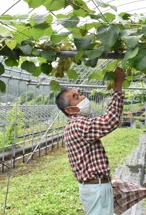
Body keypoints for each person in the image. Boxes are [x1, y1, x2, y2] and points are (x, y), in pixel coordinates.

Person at [55, 67, 126, 215]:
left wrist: (106, 180)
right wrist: (118, 87)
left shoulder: (76, 124)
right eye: (76, 97)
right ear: (69, 110)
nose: (82, 97)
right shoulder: (78, 124)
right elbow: (109, 121)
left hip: (96, 186)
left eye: (80, 94)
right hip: (95, 188)